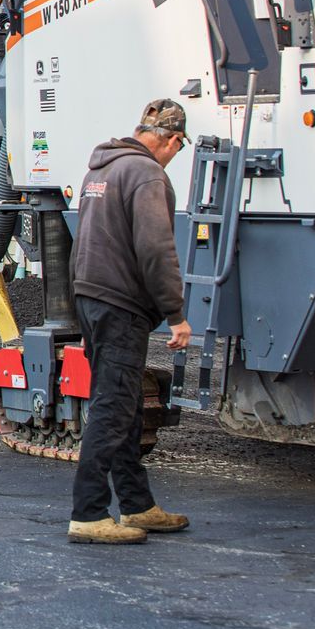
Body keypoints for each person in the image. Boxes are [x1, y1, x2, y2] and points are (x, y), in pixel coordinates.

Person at [65, 97, 195, 546]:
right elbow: (157, 249)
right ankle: (89, 513)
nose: (175, 156)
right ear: (171, 139)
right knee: (114, 406)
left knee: (127, 405)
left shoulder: (98, 170)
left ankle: (138, 504)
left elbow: (80, 242)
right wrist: (176, 314)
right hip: (121, 304)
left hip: (92, 297)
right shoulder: (145, 174)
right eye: (179, 147)